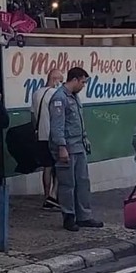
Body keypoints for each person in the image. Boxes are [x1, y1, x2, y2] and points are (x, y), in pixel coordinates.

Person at [48, 66, 101, 232]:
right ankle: (69, 216)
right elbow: (57, 126)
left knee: (82, 182)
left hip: (78, 146)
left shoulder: (74, 97)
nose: (83, 86)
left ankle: (84, 216)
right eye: (83, 82)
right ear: (75, 80)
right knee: (67, 184)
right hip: (67, 148)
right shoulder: (59, 98)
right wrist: (62, 147)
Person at [31, 69, 62, 211]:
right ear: (54, 79)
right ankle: (54, 196)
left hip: (41, 135)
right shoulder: (56, 94)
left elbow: (33, 116)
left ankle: (46, 196)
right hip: (53, 135)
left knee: (47, 167)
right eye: (60, 80)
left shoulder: (36, 93)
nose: (61, 83)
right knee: (60, 166)